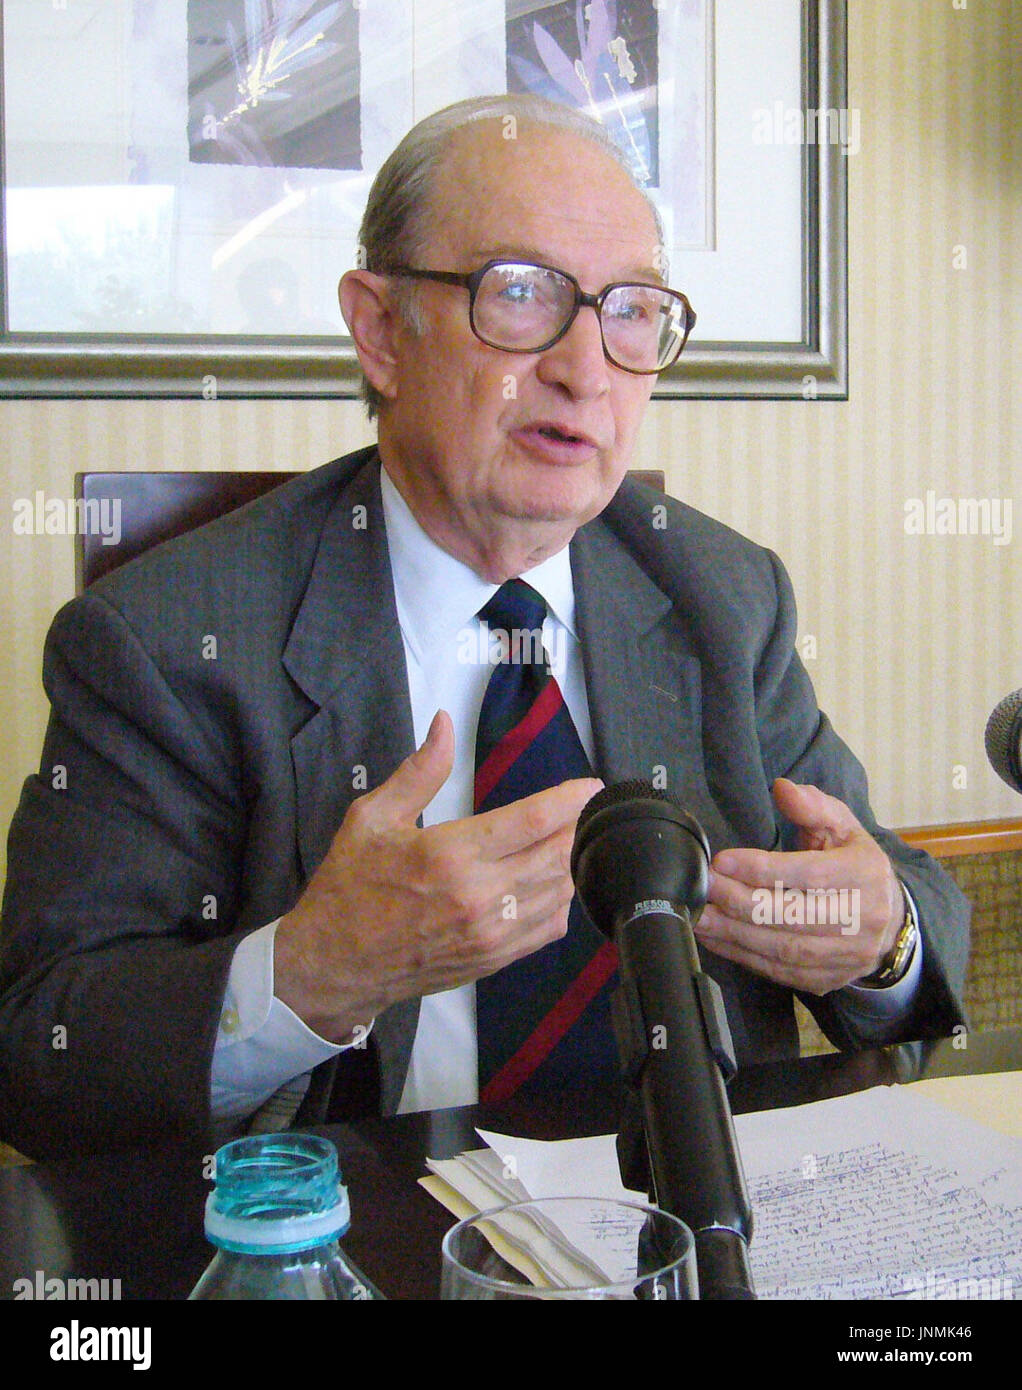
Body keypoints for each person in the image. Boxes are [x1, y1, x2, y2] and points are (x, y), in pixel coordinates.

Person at [0, 96, 969, 1160]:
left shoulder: (720, 596)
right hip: (370, 1228)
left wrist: (880, 943)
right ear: (379, 330)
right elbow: (46, 1052)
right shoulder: (166, 637)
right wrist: (315, 969)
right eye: (519, 295)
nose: (585, 368)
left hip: (695, 1210)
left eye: (631, 311)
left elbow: (908, 904)